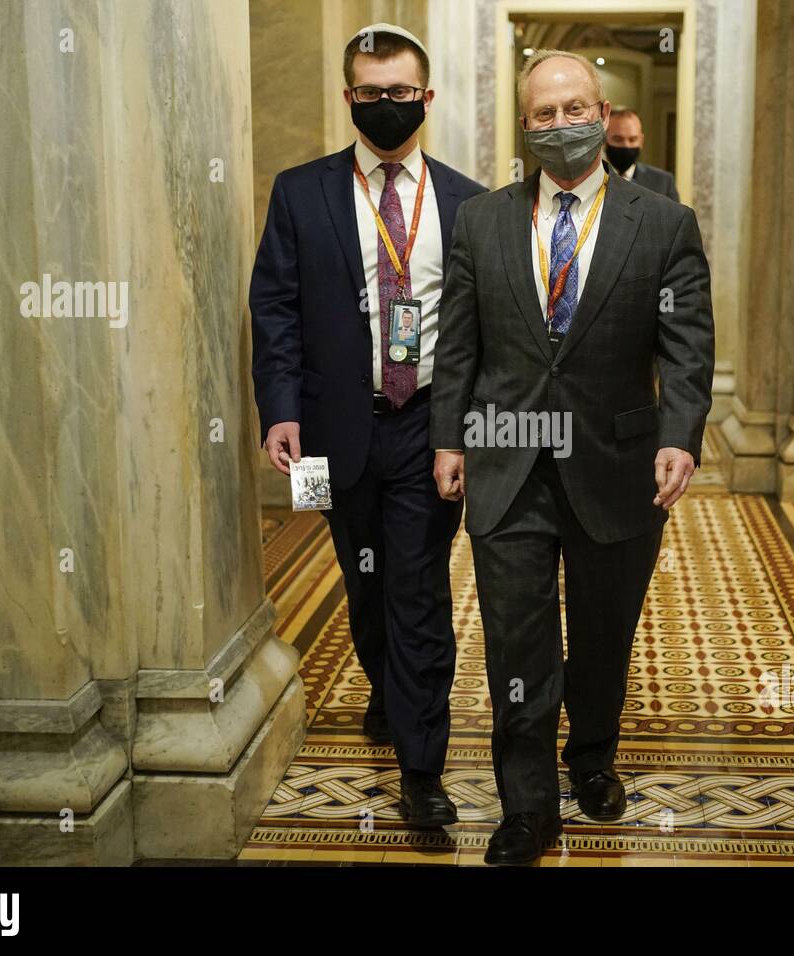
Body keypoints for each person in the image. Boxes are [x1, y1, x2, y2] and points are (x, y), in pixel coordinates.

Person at [430, 49, 714, 864]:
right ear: (525, 126)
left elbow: (687, 347)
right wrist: (449, 436)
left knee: (602, 635)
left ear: (603, 109)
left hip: (616, 467)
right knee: (517, 643)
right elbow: (459, 344)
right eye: (545, 114)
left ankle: (590, 758)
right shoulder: (481, 221)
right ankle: (526, 807)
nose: (563, 124)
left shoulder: (663, 222)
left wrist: (679, 435)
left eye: (577, 108)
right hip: (506, 461)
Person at [250, 23, 486, 829]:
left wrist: (466, 433)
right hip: (333, 432)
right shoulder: (299, 191)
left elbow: (482, 330)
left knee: (418, 595)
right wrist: (279, 410)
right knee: (366, 584)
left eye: (400, 92)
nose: (385, 105)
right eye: (368, 92)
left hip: (428, 426)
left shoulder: (468, 202)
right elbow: (274, 308)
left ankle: (423, 768)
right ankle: (389, 693)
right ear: (349, 97)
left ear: (426, 96)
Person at [604, 108, 680, 201]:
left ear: (641, 141)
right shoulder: (592, 179)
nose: (626, 145)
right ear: (604, 140)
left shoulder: (663, 182)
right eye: (617, 139)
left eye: (633, 139)